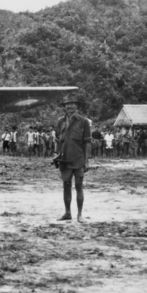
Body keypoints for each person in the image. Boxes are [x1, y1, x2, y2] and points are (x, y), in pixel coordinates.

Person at [55, 95, 91, 223]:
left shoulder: (84, 121)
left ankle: (80, 214)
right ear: (64, 106)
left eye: (72, 104)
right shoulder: (60, 121)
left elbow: (87, 142)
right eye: (67, 104)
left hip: (78, 159)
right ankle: (67, 212)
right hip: (64, 159)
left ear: (77, 106)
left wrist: (86, 161)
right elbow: (58, 140)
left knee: (79, 186)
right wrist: (56, 154)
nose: (69, 106)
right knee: (66, 186)